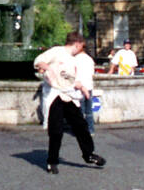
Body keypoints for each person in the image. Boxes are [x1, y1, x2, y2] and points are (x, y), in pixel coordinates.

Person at [34, 32, 104, 174]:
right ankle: (52, 161)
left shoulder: (73, 60)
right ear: (77, 44)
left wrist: (83, 88)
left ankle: (89, 154)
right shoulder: (56, 51)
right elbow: (38, 61)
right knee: (56, 130)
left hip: (69, 95)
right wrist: (47, 68)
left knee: (81, 126)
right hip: (55, 95)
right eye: (81, 46)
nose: (81, 49)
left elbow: (72, 80)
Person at [77, 45, 97, 134]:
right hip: (89, 86)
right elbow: (92, 73)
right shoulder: (90, 59)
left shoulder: (75, 59)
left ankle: (81, 130)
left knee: (80, 111)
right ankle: (91, 129)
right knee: (89, 111)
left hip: (79, 87)